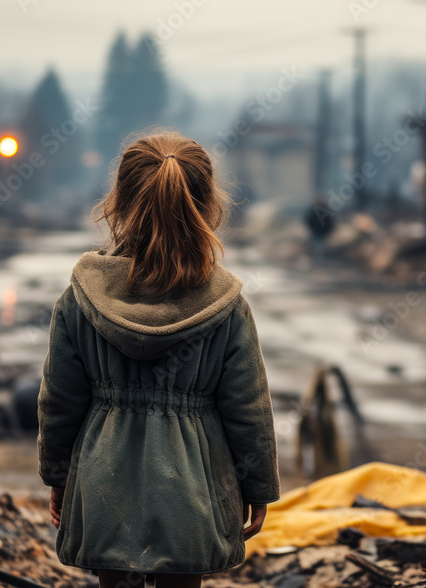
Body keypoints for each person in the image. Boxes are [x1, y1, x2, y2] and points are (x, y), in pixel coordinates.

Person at [37, 131, 281, 588]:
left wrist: (58, 475)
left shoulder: (79, 300)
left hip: (102, 481)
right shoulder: (226, 307)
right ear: (207, 205)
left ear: (121, 202)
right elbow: (248, 410)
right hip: (194, 490)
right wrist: (258, 487)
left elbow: (60, 404)